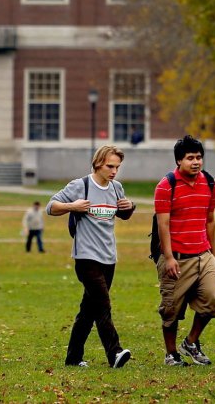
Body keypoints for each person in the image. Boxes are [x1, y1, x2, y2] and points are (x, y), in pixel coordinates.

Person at [47, 145, 135, 369]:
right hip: (86, 257)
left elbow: (123, 213)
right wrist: (72, 206)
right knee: (103, 304)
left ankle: (73, 358)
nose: (114, 171)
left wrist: (130, 206)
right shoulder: (80, 185)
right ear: (98, 164)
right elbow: (51, 207)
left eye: (117, 167)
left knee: (89, 310)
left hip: (109, 257)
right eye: (110, 166)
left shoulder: (116, 188)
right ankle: (114, 353)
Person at [154, 134, 215, 367]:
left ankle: (191, 341)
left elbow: (210, 221)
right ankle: (171, 354)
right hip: (177, 257)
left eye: (199, 157)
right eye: (190, 158)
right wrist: (169, 257)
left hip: (203, 254)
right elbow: (163, 224)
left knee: (214, 299)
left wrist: (213, 255)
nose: (196, 162)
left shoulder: (210, 183)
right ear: (178, 161)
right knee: (171, 310)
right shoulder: (166, 186)